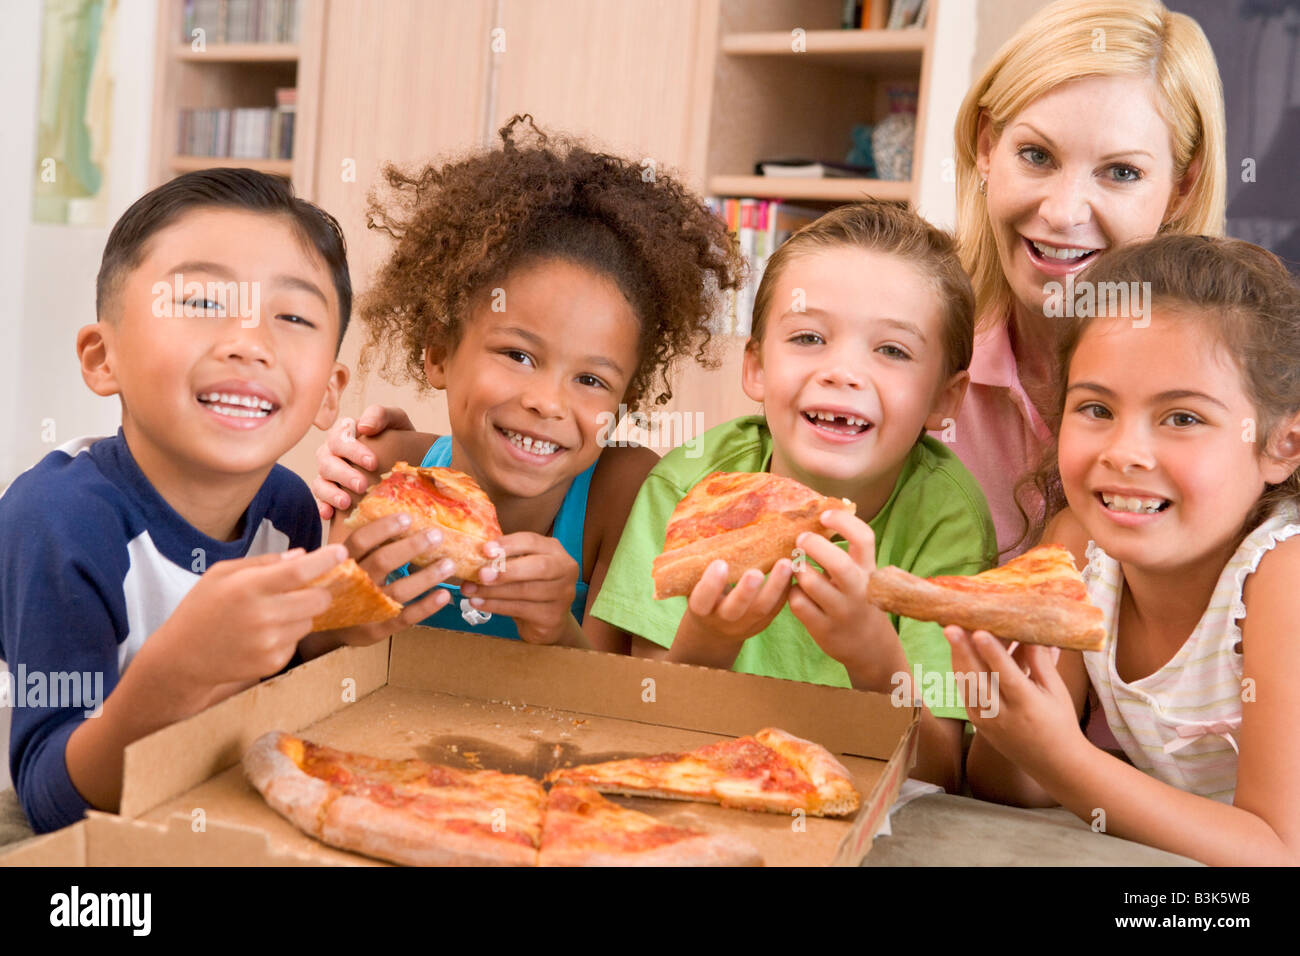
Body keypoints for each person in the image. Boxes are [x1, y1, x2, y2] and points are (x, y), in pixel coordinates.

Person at [0, 169, 448, 834]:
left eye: (292, 316)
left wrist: (326, 631)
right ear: (102, 358)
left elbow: (261, 697)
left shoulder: (289, 510)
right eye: (202, 303)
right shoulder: (57, 521)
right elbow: (48, 804)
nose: (250, 342)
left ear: (329, 391)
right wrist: (171, 677)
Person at [591, 202, 998, 791]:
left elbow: (939, 774)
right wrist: (713, 637)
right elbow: (650, 721)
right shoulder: (689, 489)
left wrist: (874, 658)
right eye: (809, 337)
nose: (843, 372)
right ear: (755, 365)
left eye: (892, 351)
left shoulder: (948, 519)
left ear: (945, 400)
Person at [308, 116, 745, 651]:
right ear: (439, 352)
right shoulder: (380, 474)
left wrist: (558, 628)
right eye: (518, 355)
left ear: (622, 407)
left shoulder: (622, 493)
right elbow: (313, 665)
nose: (546, 402)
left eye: (590, 379)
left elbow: (620, 704)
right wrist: (344, 616)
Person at [951, 235, 1300, 865]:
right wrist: (1009, 700)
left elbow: (1276, 852)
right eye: (1096, 408)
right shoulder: (1078, 551)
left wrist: (1065, 755)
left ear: (1283, 446)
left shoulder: (1281, 581)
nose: (1124, 452)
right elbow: (1015, 789)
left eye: (1183, 418)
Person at [946, 0, 1226, 556]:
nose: (1064, 212)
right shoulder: (909, 357)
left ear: (1182, 189)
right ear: (985, 146)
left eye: (1121, 172)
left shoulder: (1234, 394)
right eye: (1036, 155)